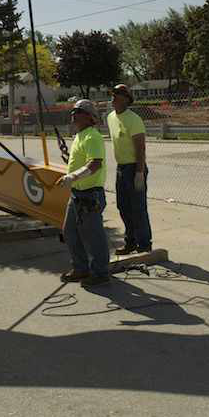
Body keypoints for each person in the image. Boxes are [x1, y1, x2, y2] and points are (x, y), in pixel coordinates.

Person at [55, 99, 110, 287]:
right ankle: (81, 269)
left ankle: (101, 273)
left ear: (89, 116)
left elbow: (95, 163)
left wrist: (74, 176)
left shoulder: (92, 136)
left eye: (78, 111)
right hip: (78, 194)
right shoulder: (80, 136)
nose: (74, 114)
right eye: (73, 111)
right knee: (70, 232)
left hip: (90, 195)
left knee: (94, 236)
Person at [107, 83, 153, 255]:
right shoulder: (111, 117)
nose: (113, 97)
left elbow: (140, 148)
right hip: (121, 168)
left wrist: (139, 173)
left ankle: (144, 243)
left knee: (138, 207)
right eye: (113, 94)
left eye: (118, 94)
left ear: (126, 99)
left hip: (135, 168)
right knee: (123, 206)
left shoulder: (134, 120)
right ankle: (130, 242)